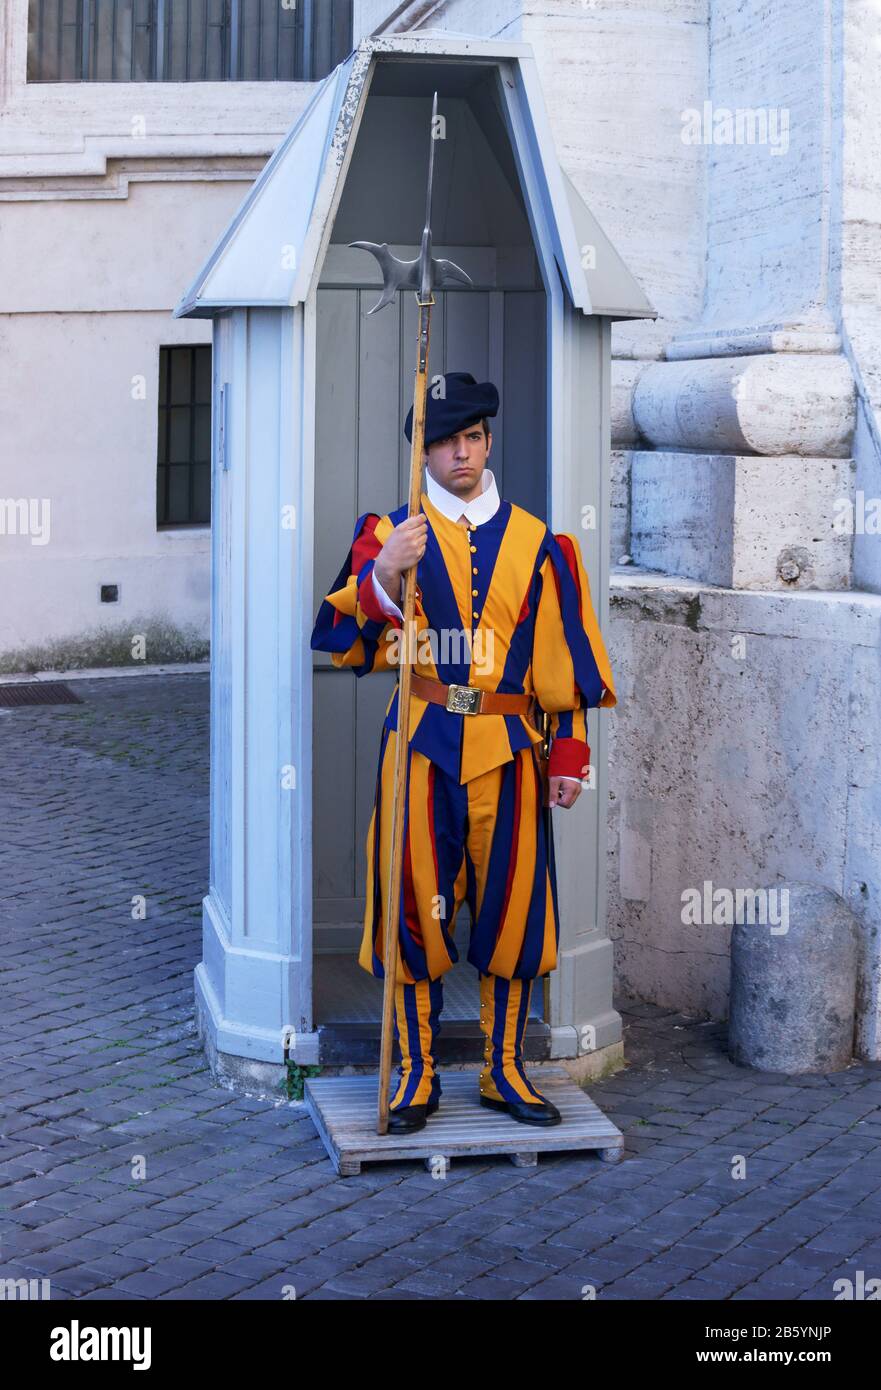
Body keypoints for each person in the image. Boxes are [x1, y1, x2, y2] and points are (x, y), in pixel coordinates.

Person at [310, 372, 616, 1133]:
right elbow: (348, 646)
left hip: (512, 751)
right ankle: (413, 1074)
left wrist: (569, 751)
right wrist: (382, 575)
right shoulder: (389, 536)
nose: (460, 454)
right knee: (413, 905)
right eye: (444, 441)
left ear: (486, 441)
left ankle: (504, 1070)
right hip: (420, 745)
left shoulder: (542, 542)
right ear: (424, 447)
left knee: (513, 910)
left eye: (472, 438)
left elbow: (561, 656)